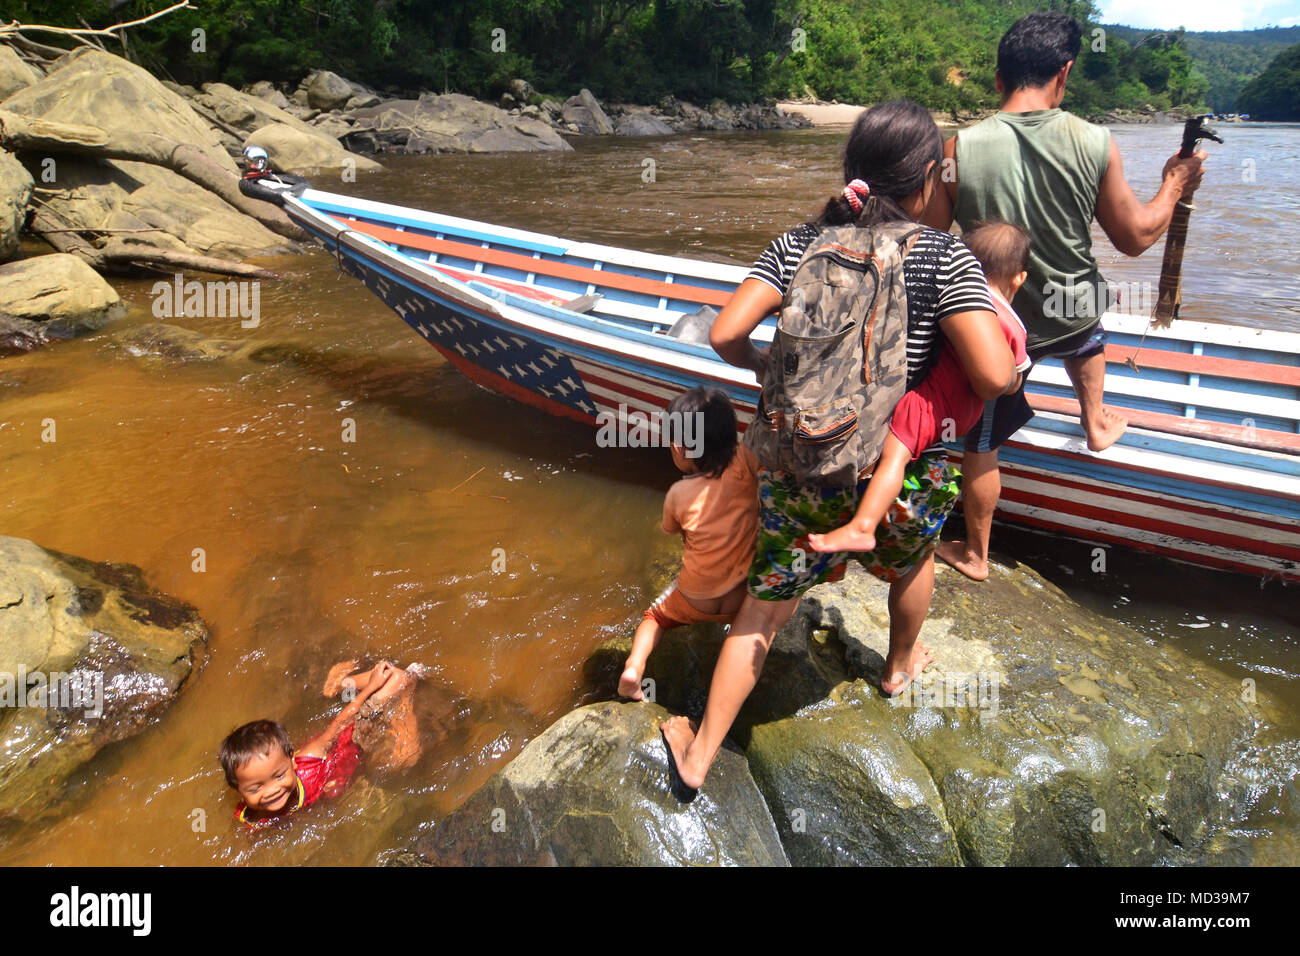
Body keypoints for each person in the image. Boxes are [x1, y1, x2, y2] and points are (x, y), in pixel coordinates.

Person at [660, 100, 1014, 791]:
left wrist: (780, 379)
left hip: (802, 466)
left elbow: (725, 335)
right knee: (911, 568)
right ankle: (898, 667)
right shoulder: (945, 256)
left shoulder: (798, 243)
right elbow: (994, 376)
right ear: (925, 180)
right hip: (901, 473)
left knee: (763, 611)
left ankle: (700, 753)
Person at [924, 11, 1207, 581]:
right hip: (1075, 311)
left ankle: (977, 554)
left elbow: (931, 245)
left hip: (1000, 322)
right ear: (1065, 73)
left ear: (998, 80)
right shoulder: (1095, 141)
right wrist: (1175, 184)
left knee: (981, 440)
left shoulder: (959, 147)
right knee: (1087, 323)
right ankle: (1096, 422)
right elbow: (1134, 238)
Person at [809, 221, 1032, 554]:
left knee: (893, 458)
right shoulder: (1013, 321)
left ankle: (863, 526)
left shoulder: (965, 298)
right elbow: (1013, 381)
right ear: (1020, 277)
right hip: (963, 409)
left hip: (930, 402)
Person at [619, 387, 759, 700]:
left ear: (681, 449)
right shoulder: (748, 464)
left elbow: (672, 529)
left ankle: (633, 668)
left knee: (654, 618)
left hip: (696, 597)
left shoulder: (677, 496)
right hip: (743, 596)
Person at [219, 660, 417, 828]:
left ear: (293, 764)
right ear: (239, 791)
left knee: (399, 681)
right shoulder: (248, 817)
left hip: (352, 736)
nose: (271, 791)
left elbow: (340, 724)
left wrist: (371, 688)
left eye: (279, 776)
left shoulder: (309, 760)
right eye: (254, 789)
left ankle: (341, 684)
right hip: (339, 772)